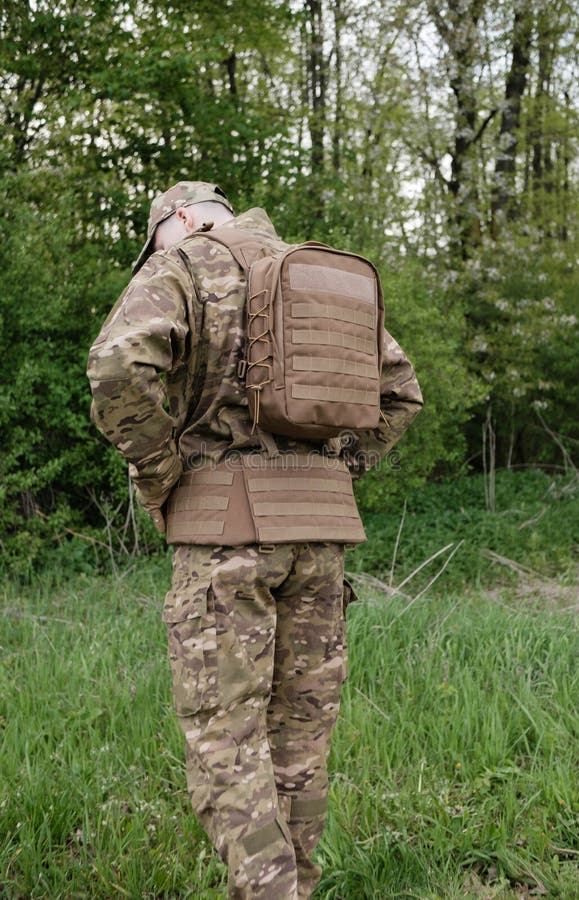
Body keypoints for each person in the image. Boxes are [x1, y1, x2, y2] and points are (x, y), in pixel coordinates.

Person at [87, 181, 423, 899]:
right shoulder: (324, 276)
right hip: (322, 539)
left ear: (179, 220)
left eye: (156, 244)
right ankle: (294, 886)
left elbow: (118, 365)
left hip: (223, 537)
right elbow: (400, 391)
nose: (158, 255)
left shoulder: (186, 265)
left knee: (227, 740)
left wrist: (163, 473)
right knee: (300, 738)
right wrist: (337, 471)